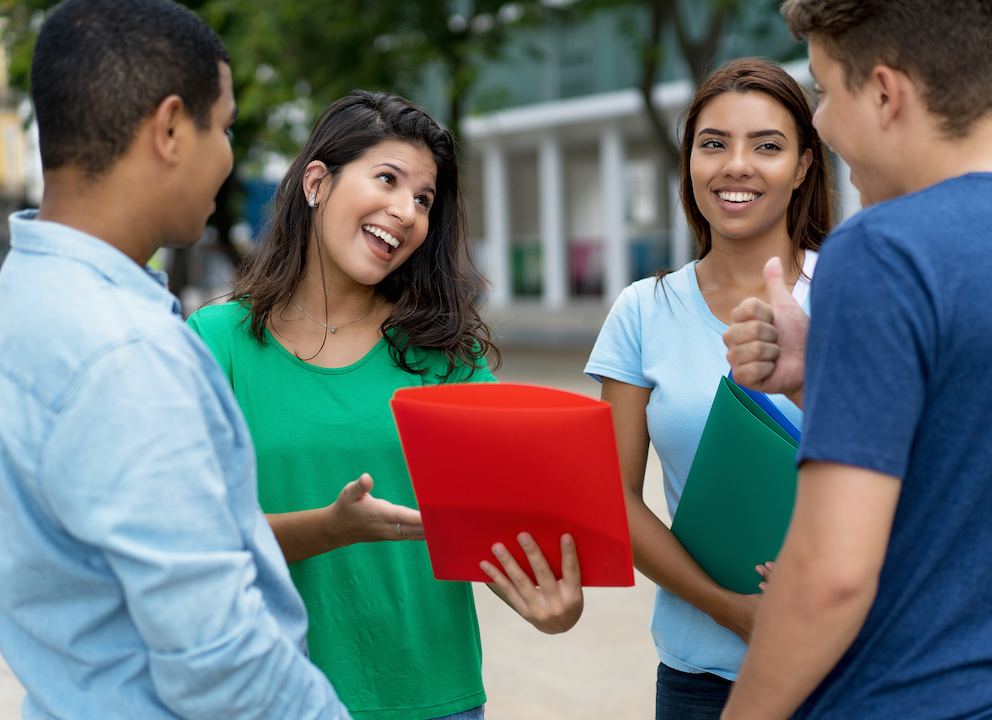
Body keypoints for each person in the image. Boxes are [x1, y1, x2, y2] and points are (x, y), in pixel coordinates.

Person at [719, 1, 992, 719]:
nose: (817, 122)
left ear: (885, 93)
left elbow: (829, 577)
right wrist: (824, 367)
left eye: (824, 90)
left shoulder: (884, 250)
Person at [0, 0, 353, 718]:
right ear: (168, 129)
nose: (227, 154)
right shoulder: (125, 353)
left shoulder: (26, 294)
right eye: (222, 127)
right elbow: (219, 660)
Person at [187, 90, 584, 720]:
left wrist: (551, 600)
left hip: (431, 697)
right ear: (317, 182)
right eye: (387, 179)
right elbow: (190, 542)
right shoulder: (216, 343)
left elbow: (496, 529)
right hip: (264, 697)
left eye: (424, 200)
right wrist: (331, 528)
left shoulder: (444, 357)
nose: (405, 212)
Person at [583, 58, 832, 719]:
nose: (736, 166)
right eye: (713, 143)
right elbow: (613, 498)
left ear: (804, 166)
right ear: (688, 159)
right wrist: (734, 612)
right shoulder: (643, 310)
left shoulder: (856, 288)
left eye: (767, 146)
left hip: (853, 666)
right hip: (703, 681)